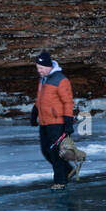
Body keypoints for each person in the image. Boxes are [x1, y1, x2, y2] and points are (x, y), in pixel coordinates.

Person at [31, 50, 80, 189]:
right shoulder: (43, 79)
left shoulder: (61, 80)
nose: (39, 71)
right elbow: (40, 99)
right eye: (37, 68)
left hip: (57, 122)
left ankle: (60, 182)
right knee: (46, 151)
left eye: (41, 68)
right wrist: (34, 113)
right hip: (45, 122)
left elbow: (68, 102)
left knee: (56, 153)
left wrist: (68, 122)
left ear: (48, 67)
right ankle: (68, 170)